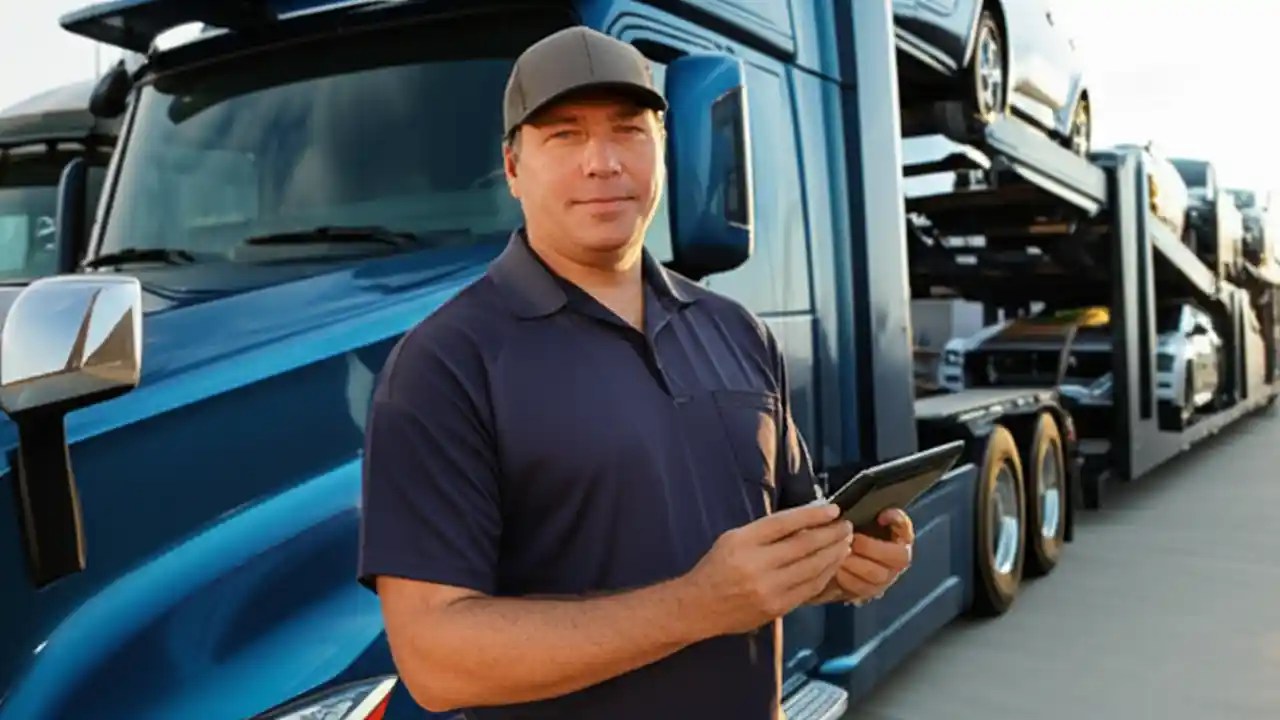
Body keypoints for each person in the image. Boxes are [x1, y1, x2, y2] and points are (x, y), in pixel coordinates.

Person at [358, 25, 915, 720]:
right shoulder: (445, 363)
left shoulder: (737, 332)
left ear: (663, 150)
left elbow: (781, 549)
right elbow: (436, 662)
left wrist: (843, 567)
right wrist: (698, 604)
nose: (603, 162)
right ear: (512, 168)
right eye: (564, 136)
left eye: (628, 131)